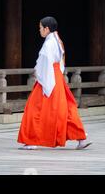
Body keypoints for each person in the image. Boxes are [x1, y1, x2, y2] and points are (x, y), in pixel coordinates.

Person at [17, 16, 92, 150]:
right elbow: (60, 61)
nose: (39, 30)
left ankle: (33, 140)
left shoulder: (49, 43)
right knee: (65, 109)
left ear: (46, 29)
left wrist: (38, 74)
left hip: (48, 77)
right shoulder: (57, 40)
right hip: (56, 76)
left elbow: (45, 62)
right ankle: (81, 138)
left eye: (40, 28)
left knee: (35, 107)